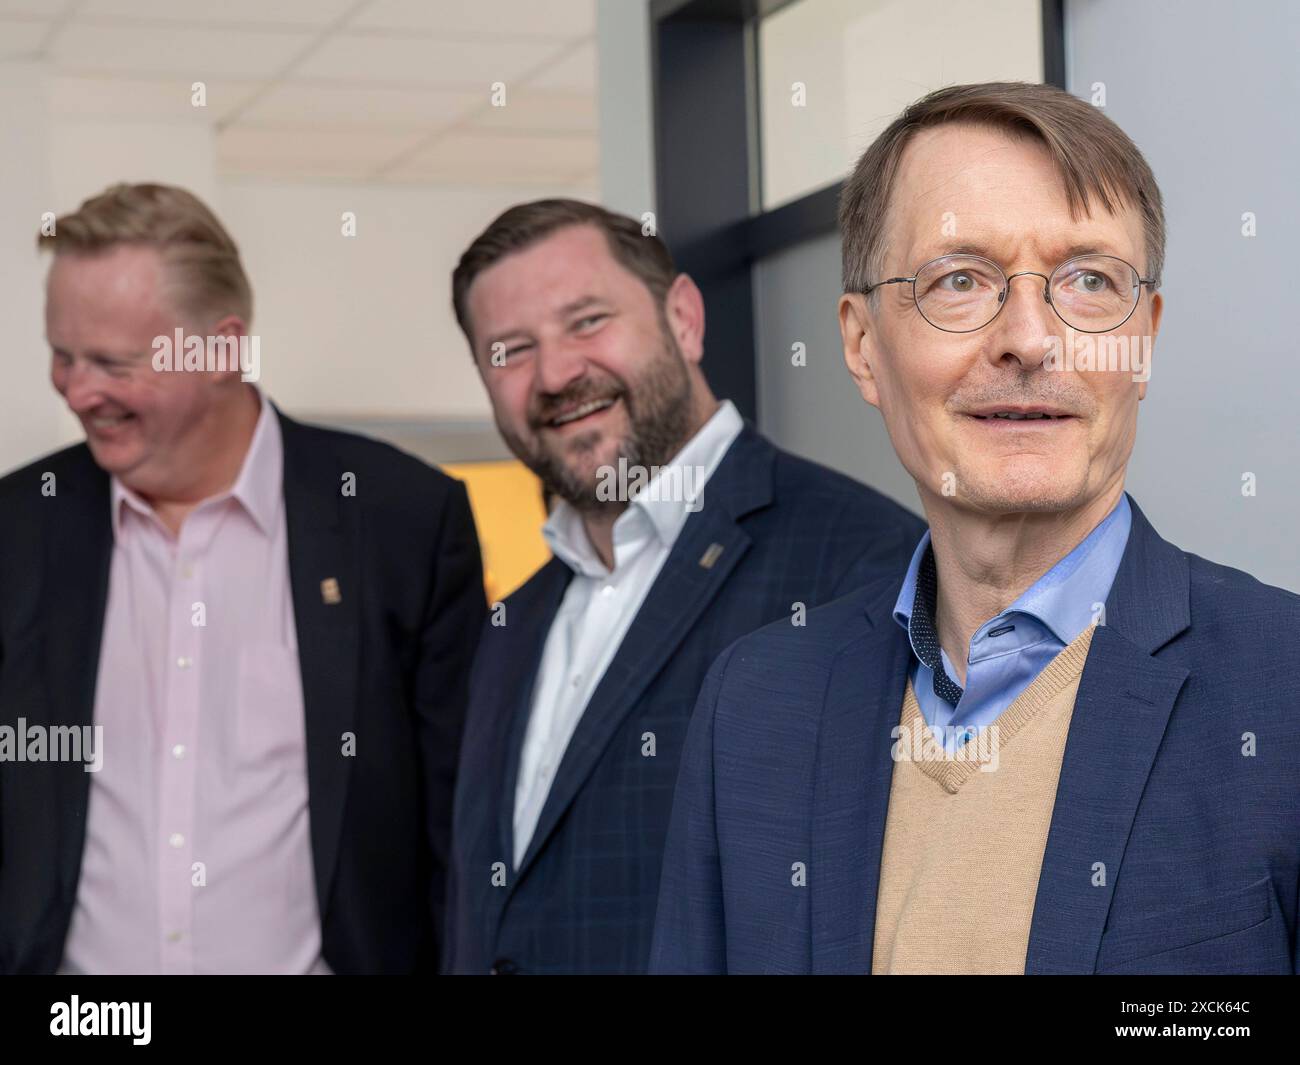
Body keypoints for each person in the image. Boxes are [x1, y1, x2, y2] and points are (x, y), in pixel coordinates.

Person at [651, 81, 1300, 975]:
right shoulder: (757, 707)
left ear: (1142, 341)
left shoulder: (1284, 689)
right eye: (960, 280)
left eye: (1088, 280)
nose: (1030, 338)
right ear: (862, 345)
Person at [0, 183, 485, 974]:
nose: (78, 391)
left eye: (114, 363)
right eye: (63, 355)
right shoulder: (18, 529)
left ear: (222, 350)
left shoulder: (399, 522)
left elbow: (458, 828)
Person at [443, 198, 925, 974]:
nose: (557, 373)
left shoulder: (862, 565)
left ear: (685, 319)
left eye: (588, 320)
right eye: (510, 350)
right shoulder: (513, 621)